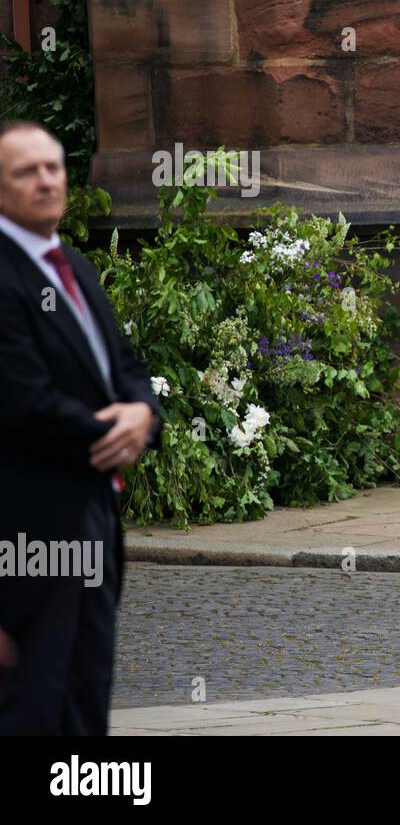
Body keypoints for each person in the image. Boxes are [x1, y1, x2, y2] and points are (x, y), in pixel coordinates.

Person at [0, 120, 161, 734]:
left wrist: (144, 415)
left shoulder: (73, 267)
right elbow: (22, 402)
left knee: (87, 699)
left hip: (94, 518)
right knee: (35, 707)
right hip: (28, 535)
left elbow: (126, 367)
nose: (46, 181)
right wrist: (109, 433)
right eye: (26, 172)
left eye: (53, 167)